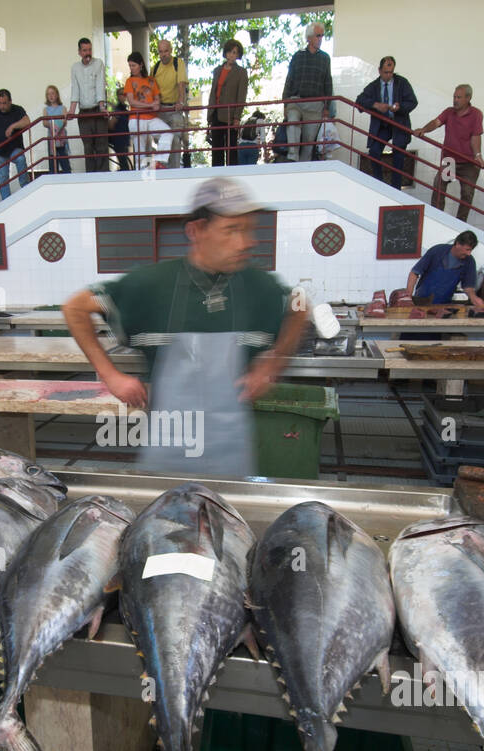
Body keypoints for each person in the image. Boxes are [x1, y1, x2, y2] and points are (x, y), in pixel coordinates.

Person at [62, 177, 307, 476]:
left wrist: (272, 363)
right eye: (232, 230)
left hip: (231, 454)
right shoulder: (151, 284)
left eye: (249, 229)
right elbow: (75, 307)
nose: (246, 242)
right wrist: (110, 375)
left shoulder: (259, 286)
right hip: (167, 454)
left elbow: (300, 304)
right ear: (196, 231)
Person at [414, 84, 484, 222]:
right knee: (439, 186)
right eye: (454, 97)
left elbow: (476, 136)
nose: (455, 100)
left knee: (467, 194)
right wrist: (424, 130)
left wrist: (478, 155)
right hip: (450, 160)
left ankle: (460, 223)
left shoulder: (476, 114)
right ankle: (437, 217)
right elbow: (436, 122)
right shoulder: (449, 112)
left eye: (459, 97)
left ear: (468, 98)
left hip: (468, 163)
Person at [403, 230, 484, 341]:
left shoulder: (469, 261)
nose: (469, 253)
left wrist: (474, 298)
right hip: (421, 303)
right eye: (467, 249)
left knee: (431, 342)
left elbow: (468, 286)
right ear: (457, 244)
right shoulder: (437, 251)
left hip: (442, 307)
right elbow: (414, 273)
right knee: (410, 338)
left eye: (471, 250)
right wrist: (407, 297)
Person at [354, 56, 418, 189]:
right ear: (379, 70)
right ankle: (380, 185)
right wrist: (375, 105)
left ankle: (395, 189)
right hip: (382, 125)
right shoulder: (374, 86)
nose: (389, 75)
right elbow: (359, 101)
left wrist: (400, 107)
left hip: (398, 124)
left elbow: (413, 102)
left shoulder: (402, 82)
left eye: (391, 72)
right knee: (374, 152)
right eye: (385, 72)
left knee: (398, 157)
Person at [281, 22, 333, 162]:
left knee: (309, 142)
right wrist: (285, 103)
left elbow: (328, 83)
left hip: (315, 104)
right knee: (293, 123)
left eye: (322, 36)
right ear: (309, 38)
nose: (321, 39)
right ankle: (292, 158)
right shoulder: (298, 56)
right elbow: (289, 79)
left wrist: (327, 108)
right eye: (318, 36)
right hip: (296, 101)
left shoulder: (325, 58)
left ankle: (303, 168)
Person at [124, 53, 173, 171]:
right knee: (140, 154)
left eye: (134, 65)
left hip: (151, 117)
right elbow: (132, 102)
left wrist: (156, 103)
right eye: (130, 66)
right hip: (136, 118)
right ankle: (139, 179)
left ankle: (159, 161)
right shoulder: (129, 81)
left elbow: (157, 97)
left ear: (141, 65)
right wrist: (150, 105)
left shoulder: (151, 80)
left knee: (168, 132)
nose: (131, 68)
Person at [0, 89, 30, 200]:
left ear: (10, 101)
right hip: (0, 150)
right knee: (3, 179)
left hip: (15, 148)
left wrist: (13, 126)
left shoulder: (18, 109)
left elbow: (27, 121)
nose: (2, 106)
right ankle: (6, 202)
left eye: (4, 103)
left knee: (21, 159)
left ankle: (26, 188)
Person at [68, 38, 108, 172]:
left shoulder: (98, 64)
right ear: (79, 52)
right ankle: (91, 177)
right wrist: (72, 110)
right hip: (84, 113)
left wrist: (102, 107)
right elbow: (75, 89)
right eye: (84, 50)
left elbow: (100, 85)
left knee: (102, 146)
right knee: (88, 147)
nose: (88, 53)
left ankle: (104, 177)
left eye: (90, 50)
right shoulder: (75, 67)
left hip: (97, 110)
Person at [207, 40, 248, 167]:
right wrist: (209, 115)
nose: (231, 55)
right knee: (216, 149)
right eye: (229, 52)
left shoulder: (241, 72)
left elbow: (241, 96)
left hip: (230, 115)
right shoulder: (217, 70)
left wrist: (237, 117)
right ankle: (217, 174)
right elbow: (213, 93)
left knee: (231, 149)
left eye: (234, 53)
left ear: (238, 55)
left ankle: (232, 174)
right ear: (225, 53)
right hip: (216, 113)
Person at [151, 38, 189, 168]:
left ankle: (175, 171)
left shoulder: (178, 63)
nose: (163, 54)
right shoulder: (155, 68)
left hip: (174, 109)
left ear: (171, 50)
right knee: (162, 141)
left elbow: (181, 84)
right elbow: (151, 89)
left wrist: (180, 101)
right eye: (161, 52)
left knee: (176, 141)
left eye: (166, 51)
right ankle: (163, 170)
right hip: (160, 111)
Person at [41, 85, 71, 175]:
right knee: (52, 160)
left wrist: (57, 125)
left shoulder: (63, 108)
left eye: (52, 93)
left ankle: (68, 176)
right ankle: (53, 174)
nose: (51, 96)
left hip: (61, 137)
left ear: (57, 95)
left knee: (64, 159)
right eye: (48, 94)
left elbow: (64, 121)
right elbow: (44, 122)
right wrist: (53, 125)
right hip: (51, 138)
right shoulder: (46, 109)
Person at [107, 88, 133, 171]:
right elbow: (111, 124)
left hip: (124, 139)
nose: (124, 96)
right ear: (118, 96)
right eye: (122, 94)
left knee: (124, 162)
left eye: (125, 94)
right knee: (124, 163)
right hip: (119, 139)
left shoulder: (123, 108)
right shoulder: (118, 109)